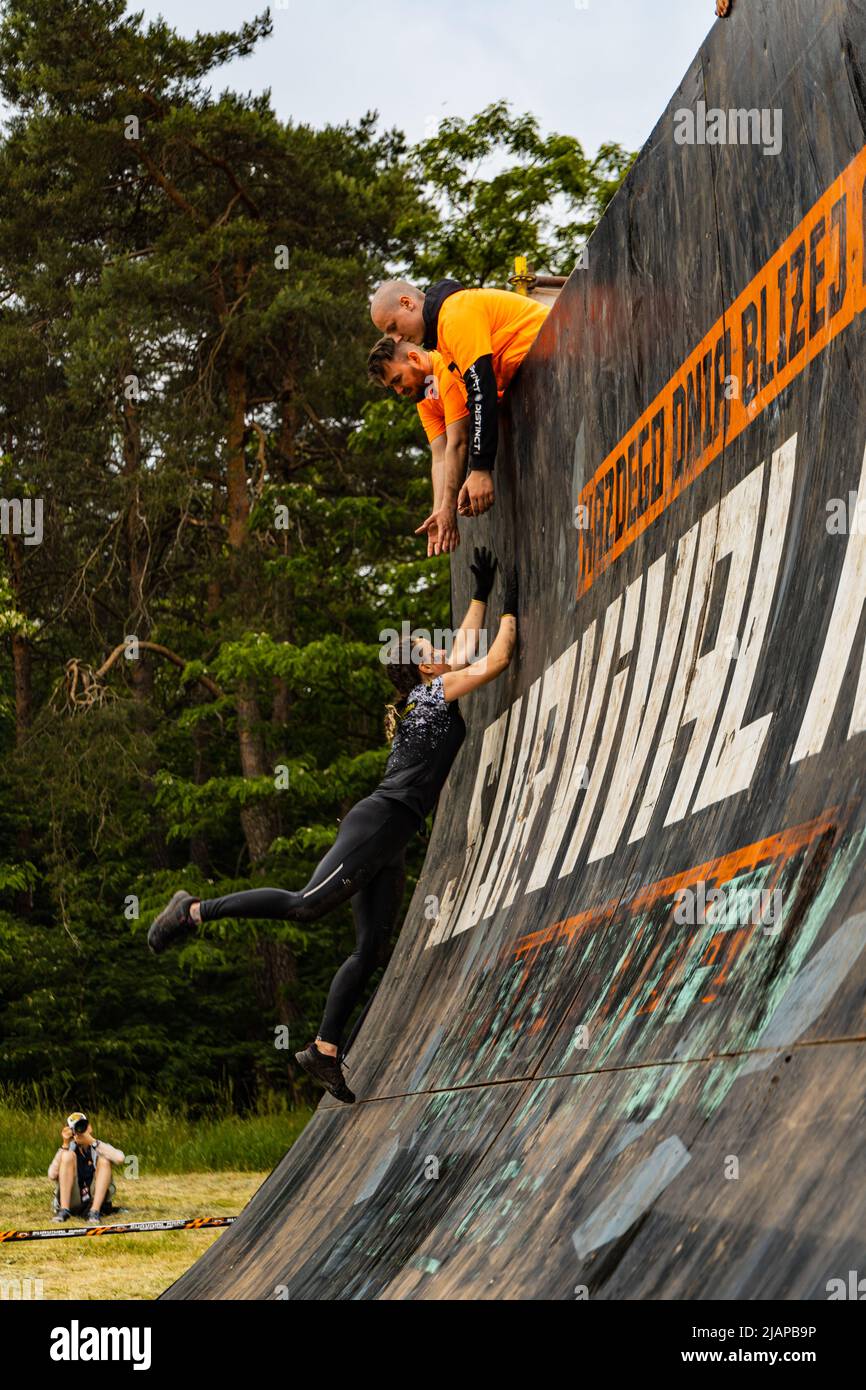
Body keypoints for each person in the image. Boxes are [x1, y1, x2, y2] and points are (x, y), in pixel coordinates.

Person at [148, 548, 518, 1104]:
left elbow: (466, 651)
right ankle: (193, 910)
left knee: (370, 950)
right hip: (379, 823)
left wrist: (481, 594)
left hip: (393, 839)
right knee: (303, 906)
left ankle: (323, 1050)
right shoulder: (431, 694)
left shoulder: (430, 688)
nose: (443, 650)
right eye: (430, 649)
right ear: (422, 669)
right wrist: (512, 610)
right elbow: (492, 661)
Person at [370, 278, 549, 514]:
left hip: (560, 355)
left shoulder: (454, 314)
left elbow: (481, 391)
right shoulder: (444, 348)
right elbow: (481, 403)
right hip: (542, 377)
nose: (396, 338)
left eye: (392, 327)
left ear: (407, 303)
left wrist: (480, 469)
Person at [367, 337, 470, 555]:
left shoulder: (446, 369)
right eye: (391, 387)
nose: (398, 391)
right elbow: (440, 455)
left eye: (397, 379)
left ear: (414, 358)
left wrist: (449, 508)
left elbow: (458, 443)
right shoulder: (426, 393)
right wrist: (438, 512)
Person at [48, 1112, 125, 1224]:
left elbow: (120, 1158)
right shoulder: (68, 1149)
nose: (81, 1130)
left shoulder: (99, 1146)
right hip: (74, 1199)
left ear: (90, 1127)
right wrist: (65, 1145)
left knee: (104, 1160)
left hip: (95, 1199)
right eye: (77, 1128)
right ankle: (64, 1211)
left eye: (83, 1125)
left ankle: (94, 1212)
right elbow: (51, 1175)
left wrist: (92, 1142)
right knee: (67, 1156)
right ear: (72, 1132)